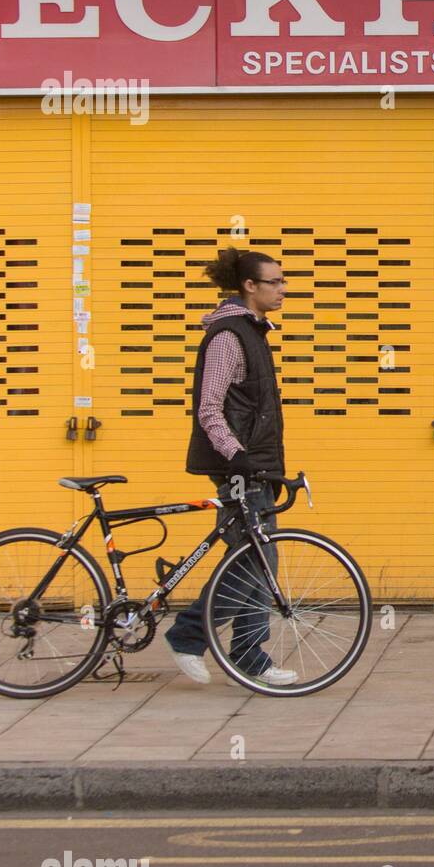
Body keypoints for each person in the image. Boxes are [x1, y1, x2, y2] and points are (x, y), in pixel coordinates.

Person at [164, 246, 297, 685]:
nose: (283, 288)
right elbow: (209, 409)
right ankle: (189, 635)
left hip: (256, 467)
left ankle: (247, 653)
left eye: (283, 280)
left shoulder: (252, 332)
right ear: (249, 286)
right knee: (252, 561)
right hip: (239, 467)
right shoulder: (228, 337)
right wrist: (237, 458)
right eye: (274, 282)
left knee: (259, 560)